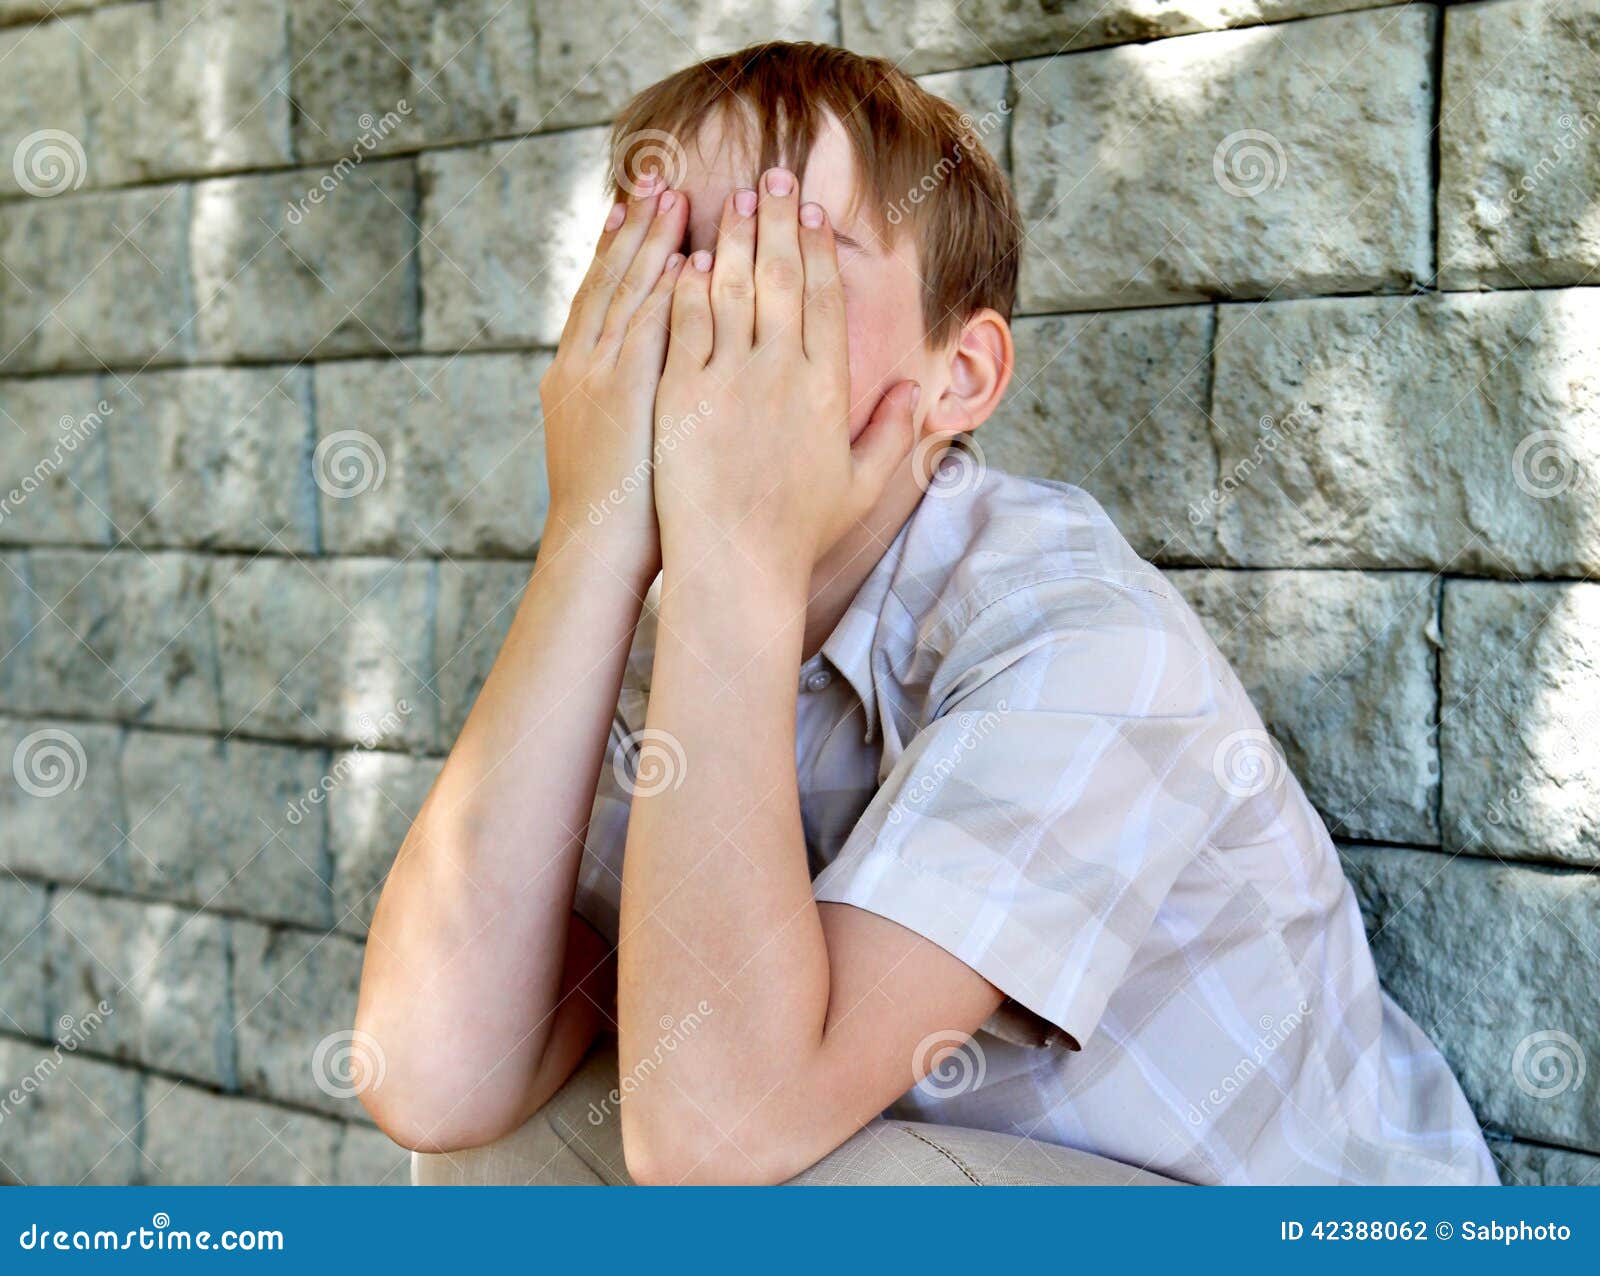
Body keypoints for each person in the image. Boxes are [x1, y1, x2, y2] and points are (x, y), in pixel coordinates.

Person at [353, 41, 1497, 1187]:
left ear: (958, 377)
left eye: (786, 261)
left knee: (808, 1192)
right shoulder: (674, 634)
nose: (711, 317)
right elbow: (437, 1077)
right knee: (505, 1150)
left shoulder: (1081, 638)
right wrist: (588, 536)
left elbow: (715, 1139)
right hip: (962, 1179)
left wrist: (737, 554)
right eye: (673, 258)